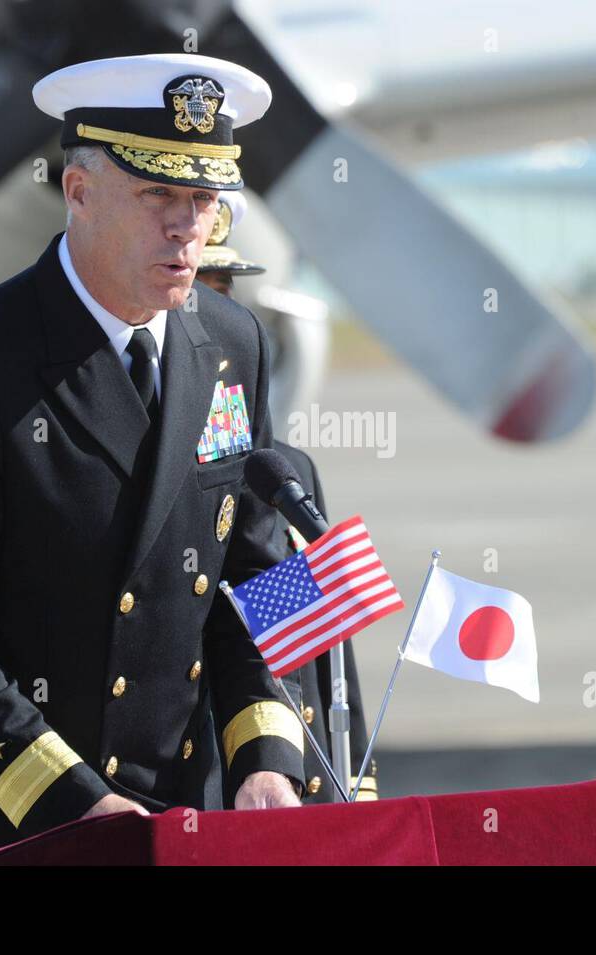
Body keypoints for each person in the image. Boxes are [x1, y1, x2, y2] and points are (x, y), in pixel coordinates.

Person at [0, 53, 305, 865]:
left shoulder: (233, 344)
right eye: (159, 196)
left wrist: (267, 759)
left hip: (178, 826)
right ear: (78, 192)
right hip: (7, 830)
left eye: (205, 198)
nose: (189, 227)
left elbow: (260, 573)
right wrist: (78, 804)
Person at [195, 192, 378, 803]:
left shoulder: (285, 471)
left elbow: (321, 652)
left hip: (293, 772)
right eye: (197, 294)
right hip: (192, 772)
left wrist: (352, 790)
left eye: (223, 294)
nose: (212, 315)